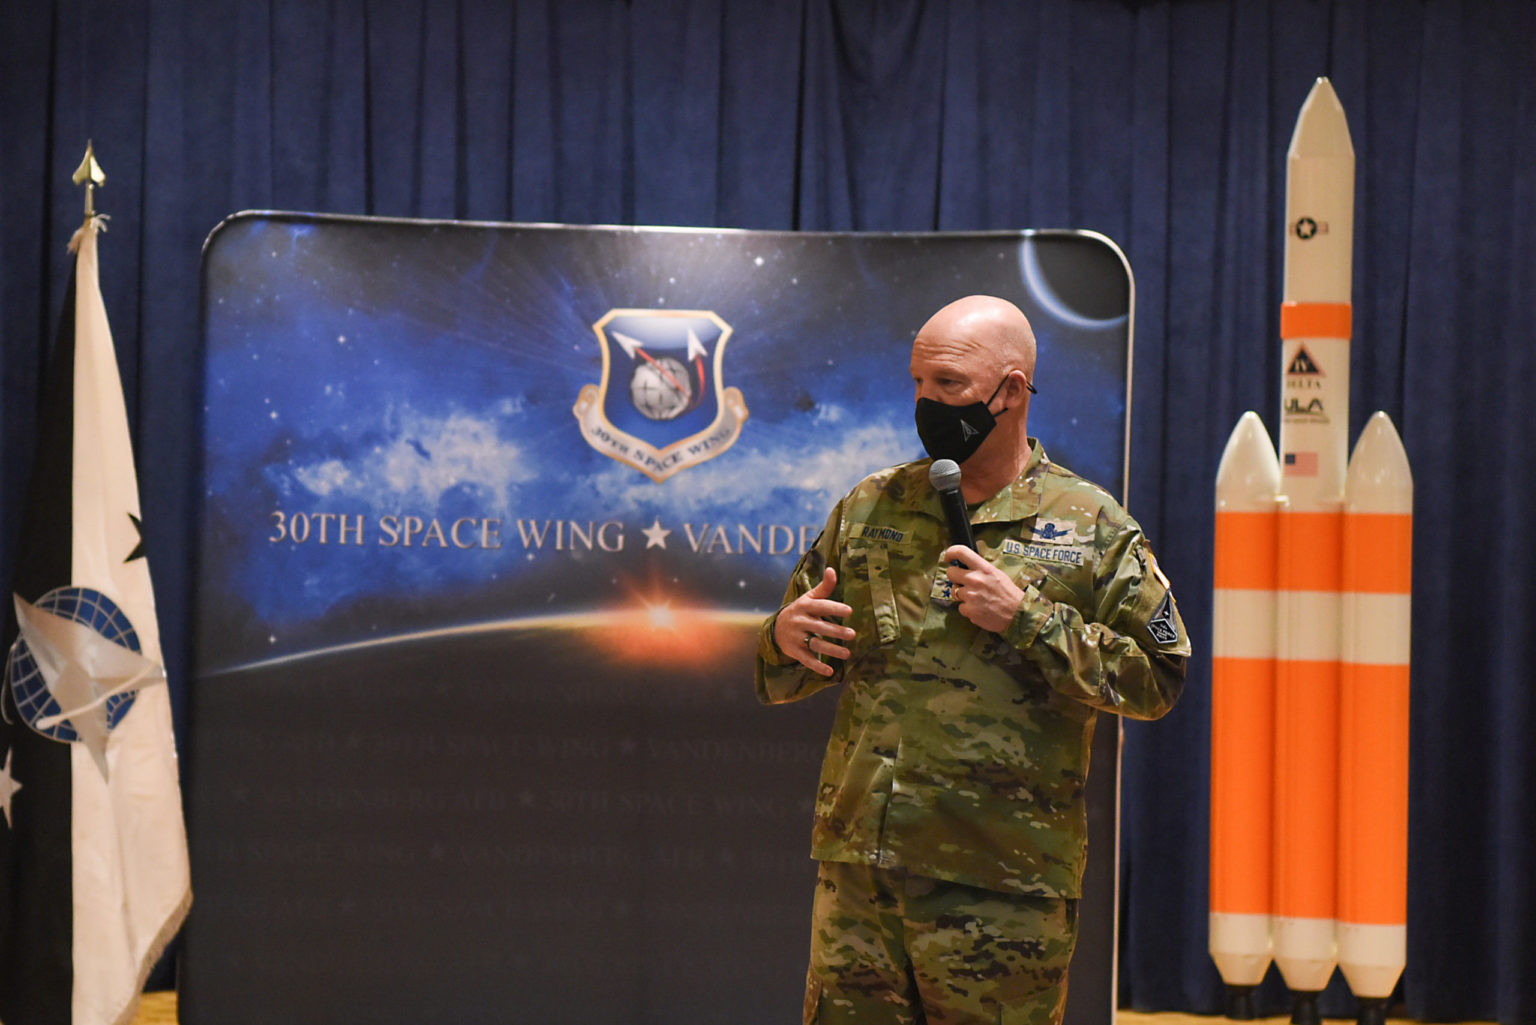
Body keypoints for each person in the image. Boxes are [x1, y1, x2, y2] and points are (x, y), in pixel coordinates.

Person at [755, 295, 1189, 1025]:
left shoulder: (1091, 526)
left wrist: (1028, 619)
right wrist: (782, 638)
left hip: (1002, 888)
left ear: (1011, 391)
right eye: (918, 383)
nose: (926, 402)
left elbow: (1159, 678)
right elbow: (783, 669)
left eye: (949, 385)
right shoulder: (872, 506)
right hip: (863, 881)